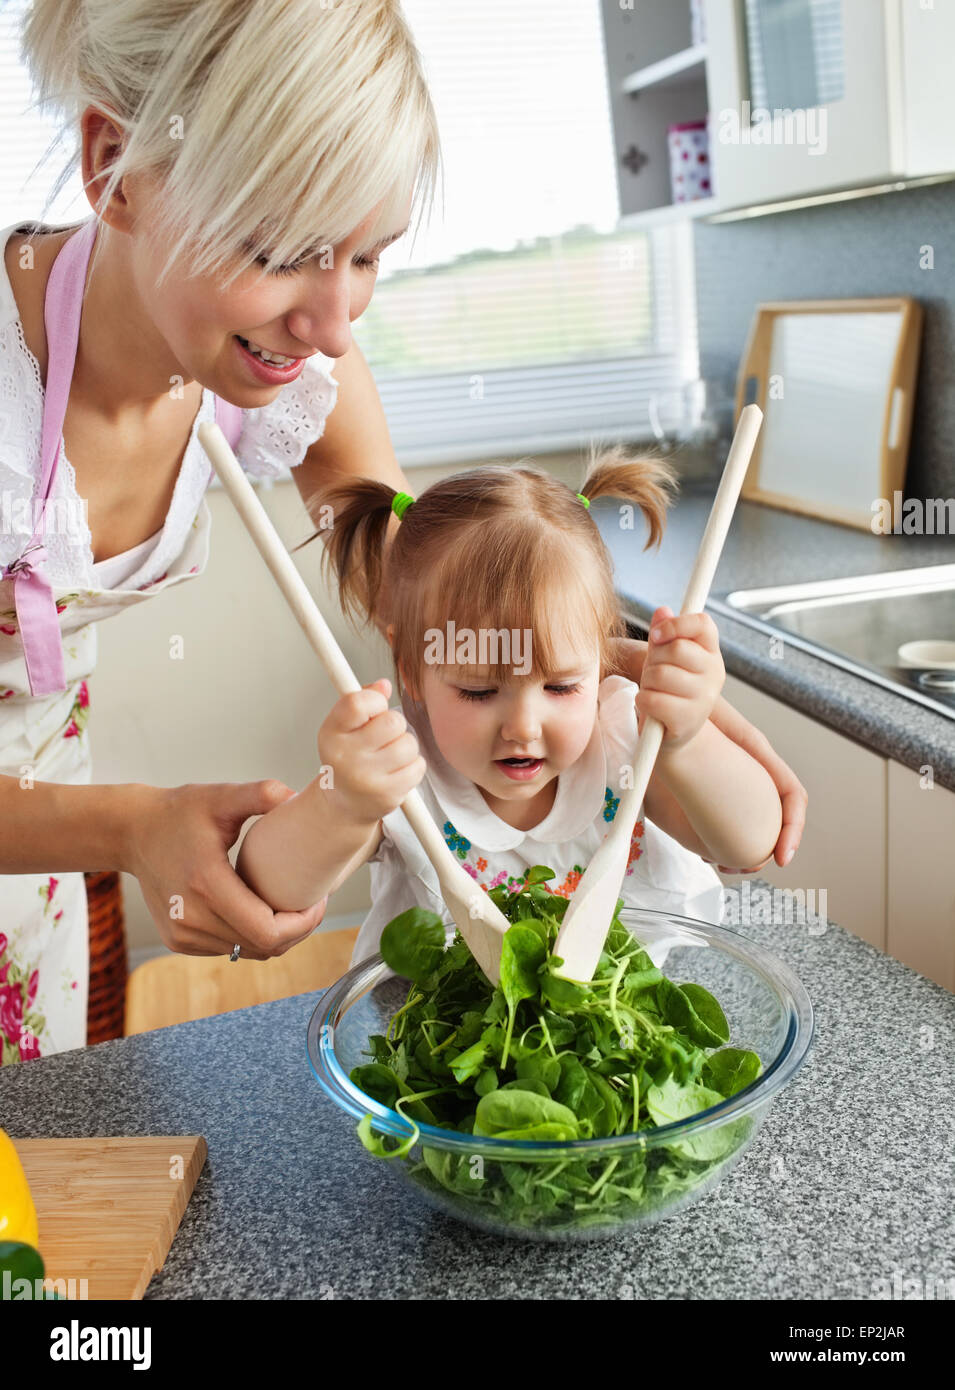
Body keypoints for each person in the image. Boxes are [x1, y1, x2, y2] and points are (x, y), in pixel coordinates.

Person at [0, 0, 803, 1066]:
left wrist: (567, 665)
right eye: (282, 251)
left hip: (37, 858)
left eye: (368, 255)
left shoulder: (287, 361)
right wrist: (127, 824)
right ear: (116, 167)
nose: (335, 325)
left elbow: (425, 587)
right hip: (61, 821)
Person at [236, 451, 788, 969]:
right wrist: (342, 802)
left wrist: (690, 742)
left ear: (602, 661)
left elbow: (750, 841)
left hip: (620, 1048)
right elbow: (270, 890)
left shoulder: (624, 735)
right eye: (478, 691)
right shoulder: (398, 767)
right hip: (439, 1051)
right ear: (411, 671)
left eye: (562, 687)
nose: (523, 728)